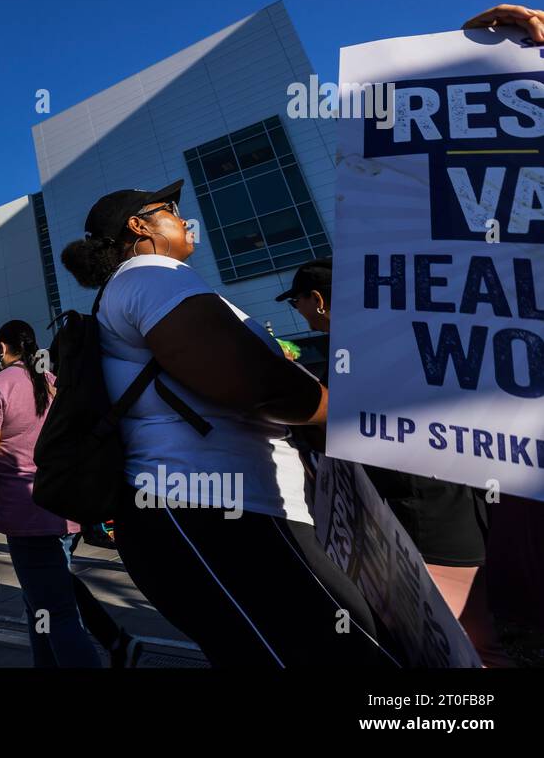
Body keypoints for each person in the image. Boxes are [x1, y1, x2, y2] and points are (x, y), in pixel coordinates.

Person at [61, 180, 400, 667]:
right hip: (211, 511)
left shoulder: (143, 283)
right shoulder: (149, 274)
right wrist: (342, 411)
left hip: (218, 510)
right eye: (169, 208)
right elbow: (247, 380)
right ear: (139, 226)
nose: (184, 218)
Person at [276, 259, 512, 667]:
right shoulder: (397, 335)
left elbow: (340, 427)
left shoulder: (360, 348)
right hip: (438, 503)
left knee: (467, 644)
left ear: (318, 300)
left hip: (428, 512)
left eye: (296, 302)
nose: (297, 310)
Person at [0, 320, 101, 668]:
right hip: (64, 508)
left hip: (25, 515)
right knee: (39, 605)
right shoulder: (53, 382)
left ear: (2, 348)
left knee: (57, 613)